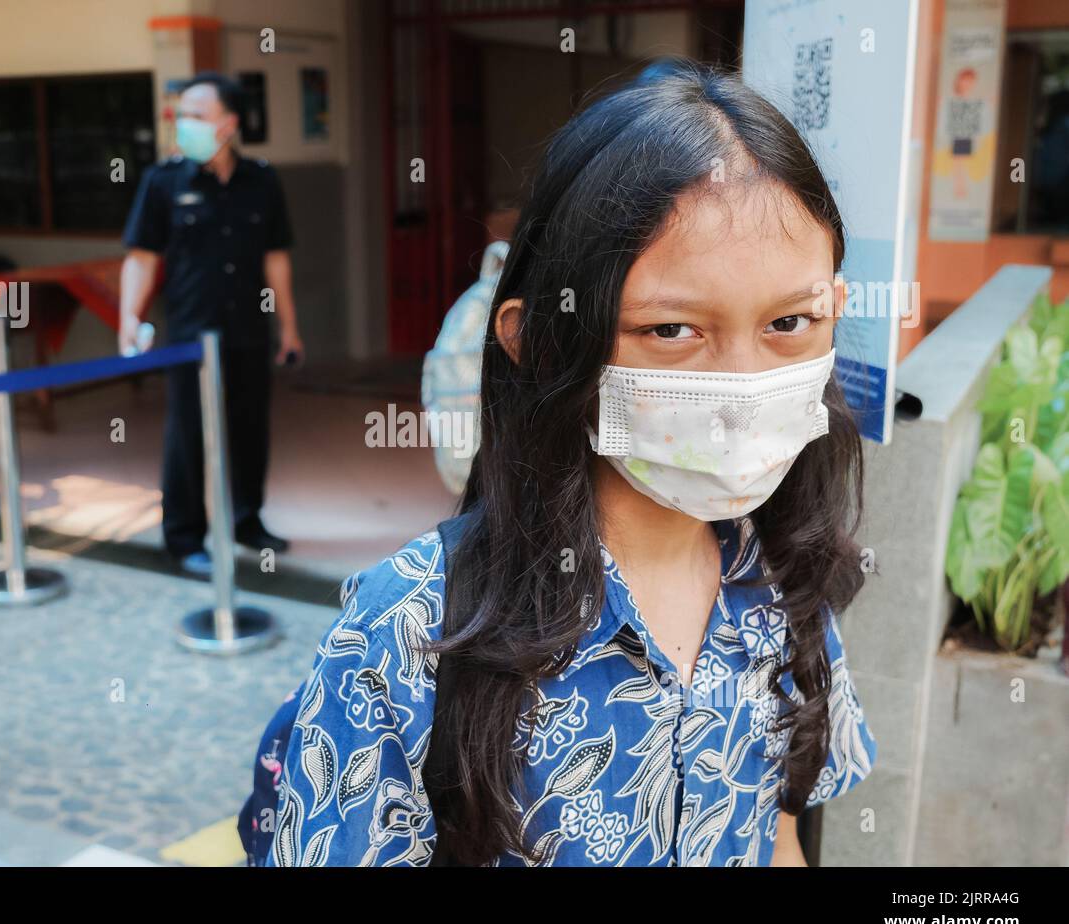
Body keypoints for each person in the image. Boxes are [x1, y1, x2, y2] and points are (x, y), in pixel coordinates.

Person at [255, 61, 877, 866]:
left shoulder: (788, 588)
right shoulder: (409, 632)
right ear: (539, 339)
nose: (744, 386)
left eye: (790, 320)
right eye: (673, 330)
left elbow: (781, 837)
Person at [120, 71, 302, 577]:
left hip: (248, 329)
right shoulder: (164, 181)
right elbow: (140, 258)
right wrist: (127, 321)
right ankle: (183, 538)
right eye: (181, 114)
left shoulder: (262, 180)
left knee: (249, 431)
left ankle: (247, 521)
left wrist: (289, 327)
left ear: (228, 124)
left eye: (197, 115)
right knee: (186, 437)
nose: (184, 123)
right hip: (189, 337)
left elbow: (276, 258)